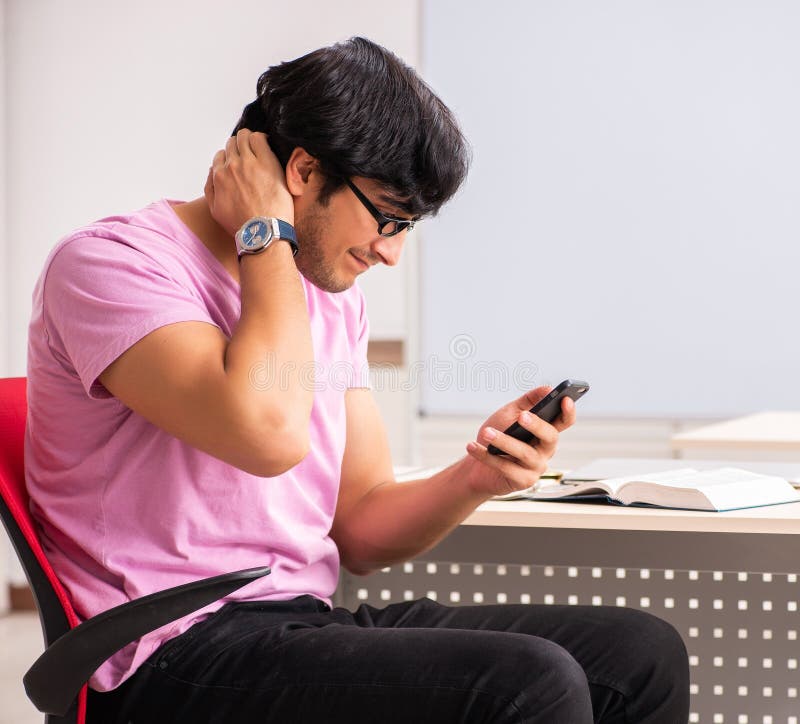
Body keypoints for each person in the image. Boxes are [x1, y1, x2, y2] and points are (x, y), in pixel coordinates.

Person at [26, 37, 689, 723]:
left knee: (640, 654)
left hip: (293, 624)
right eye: (388, 216)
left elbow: (363, 529)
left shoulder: (326, 297)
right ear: (303, 172)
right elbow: (268, 435)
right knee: (527, 685)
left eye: (410, 226)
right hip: (164, 656)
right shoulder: (111, 267)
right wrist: (265, 231)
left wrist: (474, 480)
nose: (393, 252)